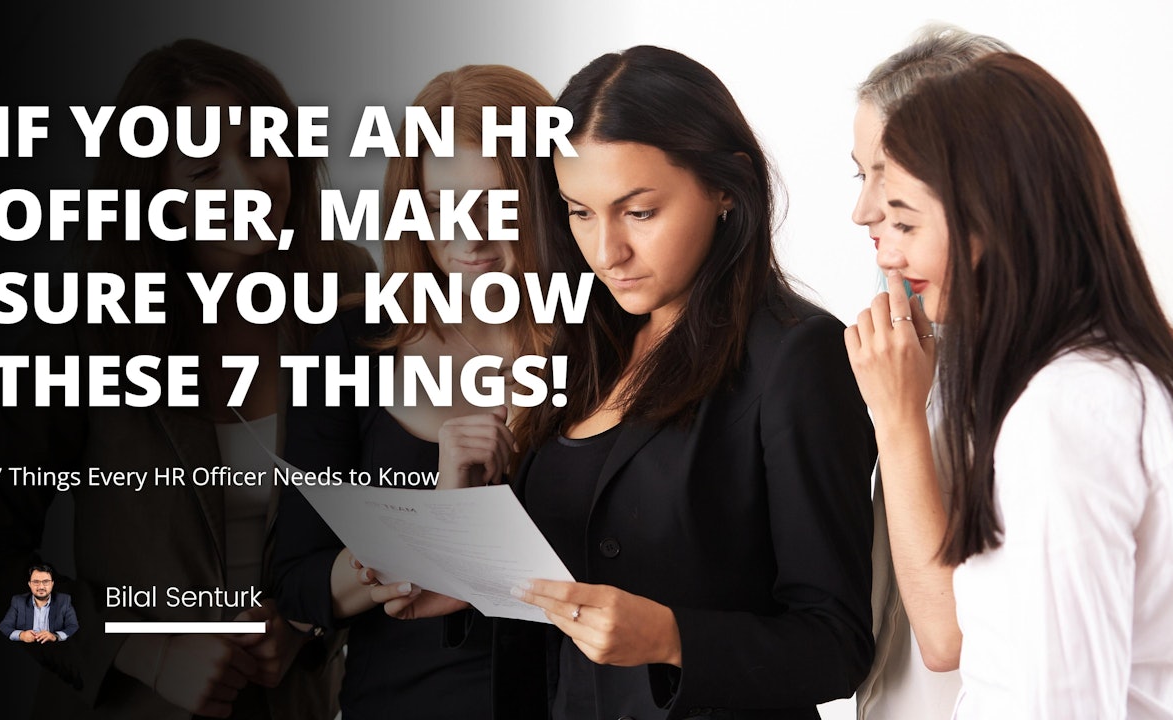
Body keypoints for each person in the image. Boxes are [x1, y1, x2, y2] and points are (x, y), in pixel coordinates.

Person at [354, 45, 878, 719]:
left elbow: (835, 643)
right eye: (579, 212)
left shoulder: (796, 357)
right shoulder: (582, 337)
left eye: (639, 212)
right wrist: (473, 586)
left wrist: (672, 638)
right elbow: (574, 581)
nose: (607, 252)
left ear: (727, 186)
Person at [0, 39, 372, 719]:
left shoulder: (346, 286)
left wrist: (306, 621)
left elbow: (382, 507)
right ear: (157, 193)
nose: (246, 185)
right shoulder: (85, 323)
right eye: (206, 169)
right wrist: (138, 647)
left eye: (261, 146)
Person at [845, 52, 1173, 718]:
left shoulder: (1063, 414)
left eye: (907, 223)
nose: (886, 251)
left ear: (988, 223)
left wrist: (898, 421)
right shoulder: (1140, 374)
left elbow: (1055, 703)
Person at [270, 64, 555, 719]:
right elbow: (298, 581)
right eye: (437, 208)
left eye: (495, 204)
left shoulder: (600, 342)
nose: (468, 238)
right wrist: (426, 535)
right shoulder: (349, 340)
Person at [846, 24, 1011, 720]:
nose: (864, 212)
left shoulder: (1044, 388)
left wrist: (896, 417)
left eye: (887, 180)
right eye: (862, 175)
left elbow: (949, 636)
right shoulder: (923, 347)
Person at [0, 564, 80, 643]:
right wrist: (21, 635)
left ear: (52, 584)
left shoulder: (64, 601)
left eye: (46, 582)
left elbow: (73, 626)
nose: (41, 587)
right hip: (27, 651)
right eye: (36, 582)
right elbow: (4, 626)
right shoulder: (18, 601)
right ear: (29, 584)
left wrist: (55, 636)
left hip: (56, 649)